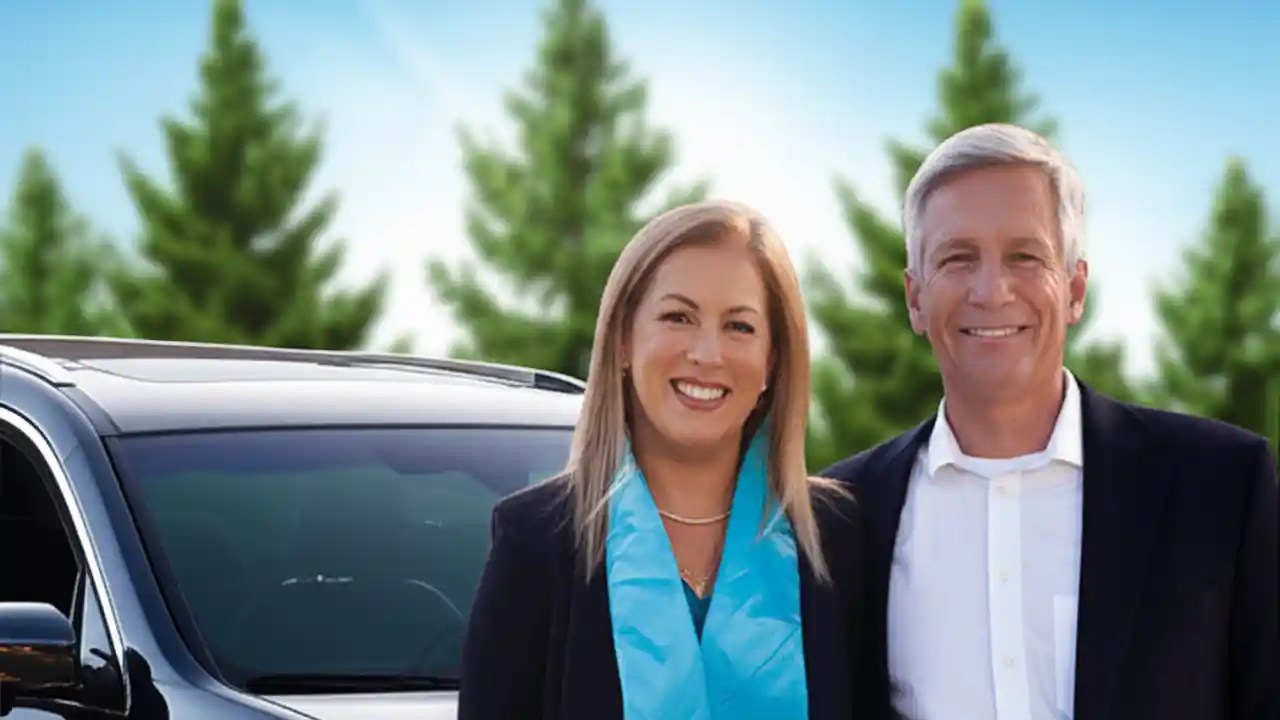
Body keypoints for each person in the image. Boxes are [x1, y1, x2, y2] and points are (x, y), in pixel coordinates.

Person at [822, 122, 1279, 719]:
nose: (992, 290)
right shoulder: (841, 517)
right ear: (914, 297)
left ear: (1074, 288)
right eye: (958, 259)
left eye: (1025, 256)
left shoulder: (1221, 486)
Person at [458, 200, 870, 718]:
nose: (706, 353)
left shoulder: (838, 542)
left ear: (773, 360)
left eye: (739, 327)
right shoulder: (537, 544)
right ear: (624, 340)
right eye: (678, 317)